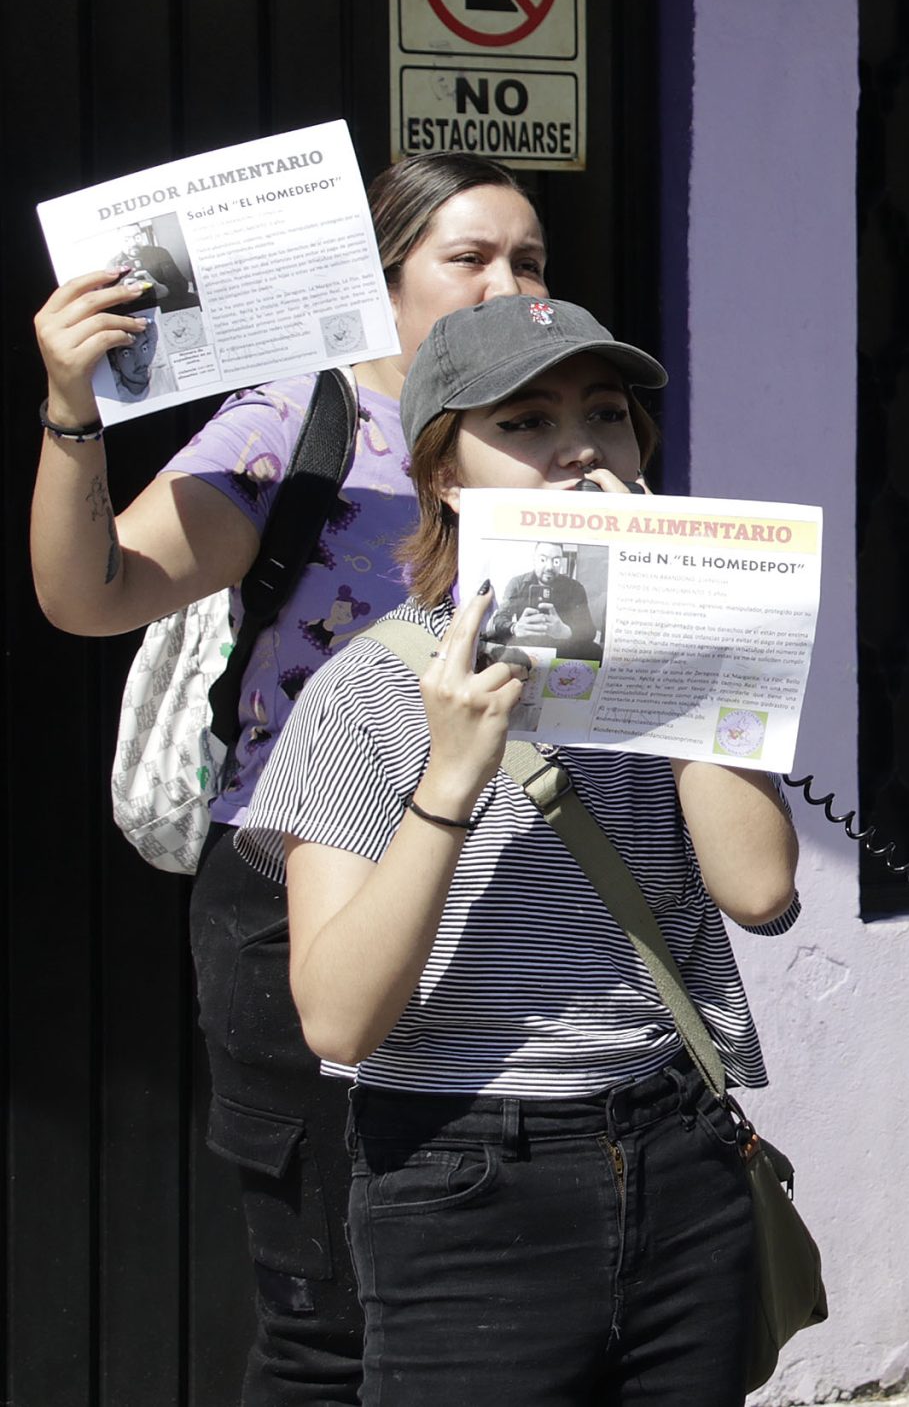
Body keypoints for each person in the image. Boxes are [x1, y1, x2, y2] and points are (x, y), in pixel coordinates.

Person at [30, 151, 551, 1406]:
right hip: (295, 902)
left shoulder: (557, 436)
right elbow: (90, 591)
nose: (507, 285)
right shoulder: (303, 418)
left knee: (489, 1306)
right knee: (331, 1324)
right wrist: (69, 407)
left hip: (497, 896)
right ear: (383, 278)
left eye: (530, 262)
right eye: (467, 257)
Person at [236, 294, 801, 1405]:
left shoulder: (685, 663)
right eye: (528, 424)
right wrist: (452, 775)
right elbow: (339, 1018)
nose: (581, 447)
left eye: (607, 416)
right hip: (465, 1180)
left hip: (676, 1152)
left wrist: (683, 644)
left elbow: (761, 885)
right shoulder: (368, 691)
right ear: (445, 474)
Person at [489, 539, 601, 658]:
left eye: (556, 561)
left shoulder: (575, 588)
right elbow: (499, 619)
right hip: (527, 648)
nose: (550, 567)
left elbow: (589, 630)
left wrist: (566, 632)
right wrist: (514, 627)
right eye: (543, 559)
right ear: (534, 560)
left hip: (563, 649)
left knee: (595, 651)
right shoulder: (517, 584)